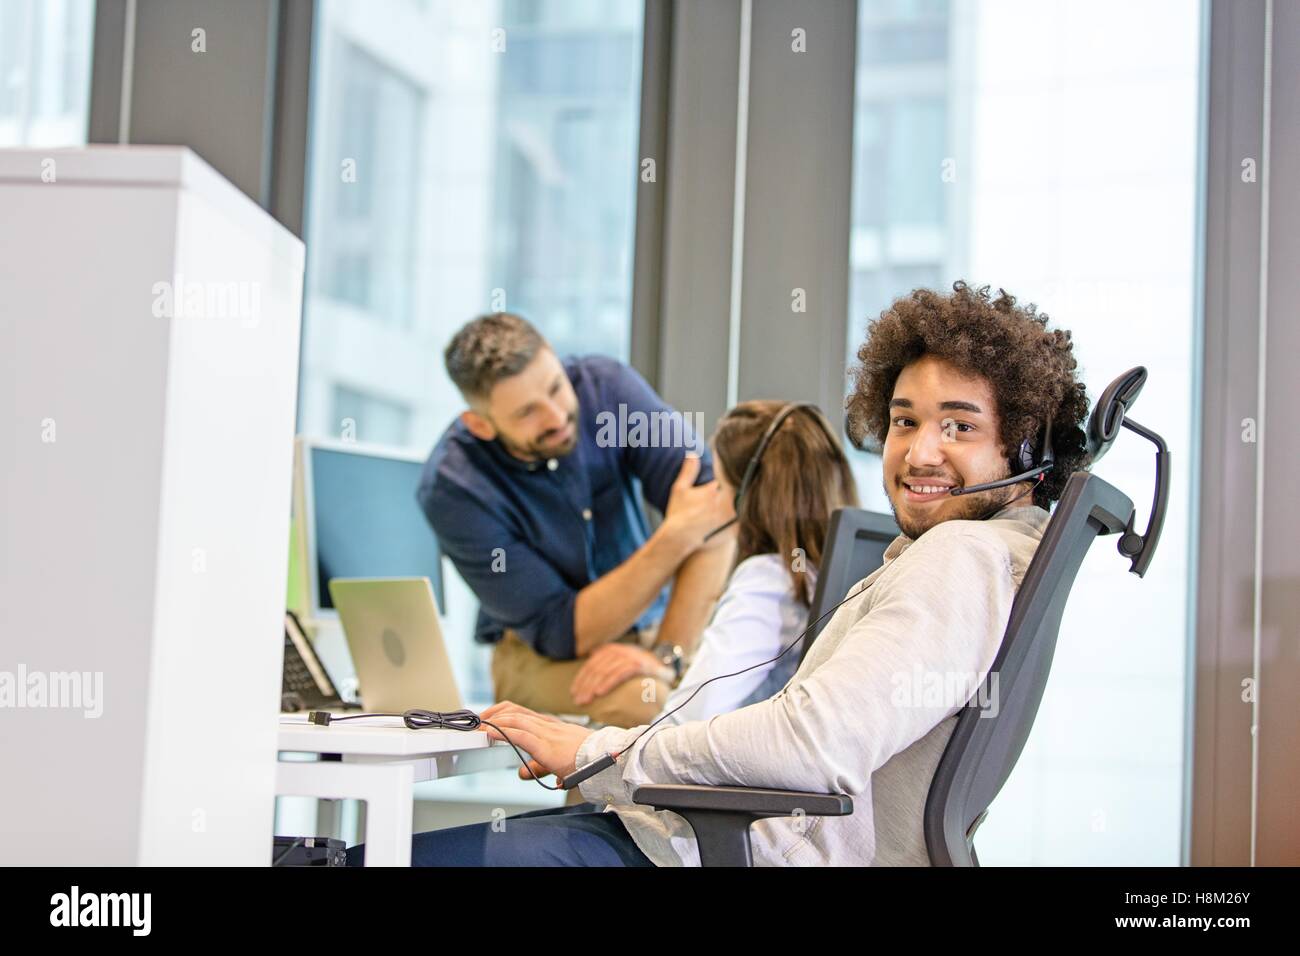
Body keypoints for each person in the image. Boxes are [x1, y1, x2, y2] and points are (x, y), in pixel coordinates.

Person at [352, 282, 1092, 866]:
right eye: (903, 421)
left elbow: (811, 746)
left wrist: (590, 749)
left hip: (728, 846)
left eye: (958, 425)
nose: (921, 452)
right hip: (704, 823)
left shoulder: (955, 561)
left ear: (1027, 445)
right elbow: (558, 625)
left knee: (357, 861)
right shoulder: (982, 551)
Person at [417, 313, 734, 729]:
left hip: (660, 632)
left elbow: (718, 513)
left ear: (555, 358)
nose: (556, 416)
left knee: (747, 701)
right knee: (651, 704)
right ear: (480, 424)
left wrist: (666, 654)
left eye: (554, 388)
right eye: (527, 412)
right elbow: (563, 631)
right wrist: (672, 540)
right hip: (540, 656)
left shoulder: (607, 389)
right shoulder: (454, 489)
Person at [657, 400, 859, 726]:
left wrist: (591, 747)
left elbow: (687, 719)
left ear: (746, 498)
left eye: (721, 486)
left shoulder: (769, 579)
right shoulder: (827, 570)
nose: (713, 499)